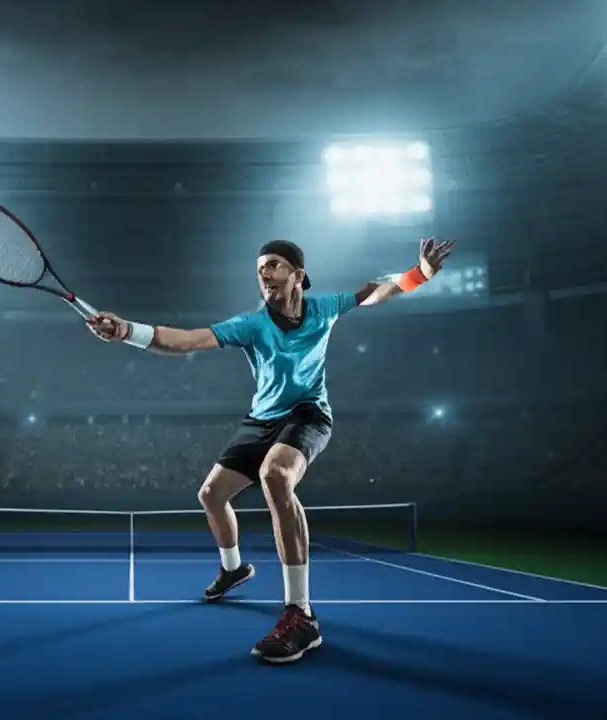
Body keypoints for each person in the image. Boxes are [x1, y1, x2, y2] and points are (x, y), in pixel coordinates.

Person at [86, 236, 455, 663]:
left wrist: (419, 274)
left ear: (297, 276)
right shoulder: (252, 324)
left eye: (275, 264)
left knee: (275, 476)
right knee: (210, 494)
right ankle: (234, 569)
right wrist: (127, 331)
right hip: (260, 420)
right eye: (260, 266)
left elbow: (373, 291)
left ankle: (301, 614)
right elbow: (185, 340)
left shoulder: (324, 308)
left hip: (308, 414)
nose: (264, 271)